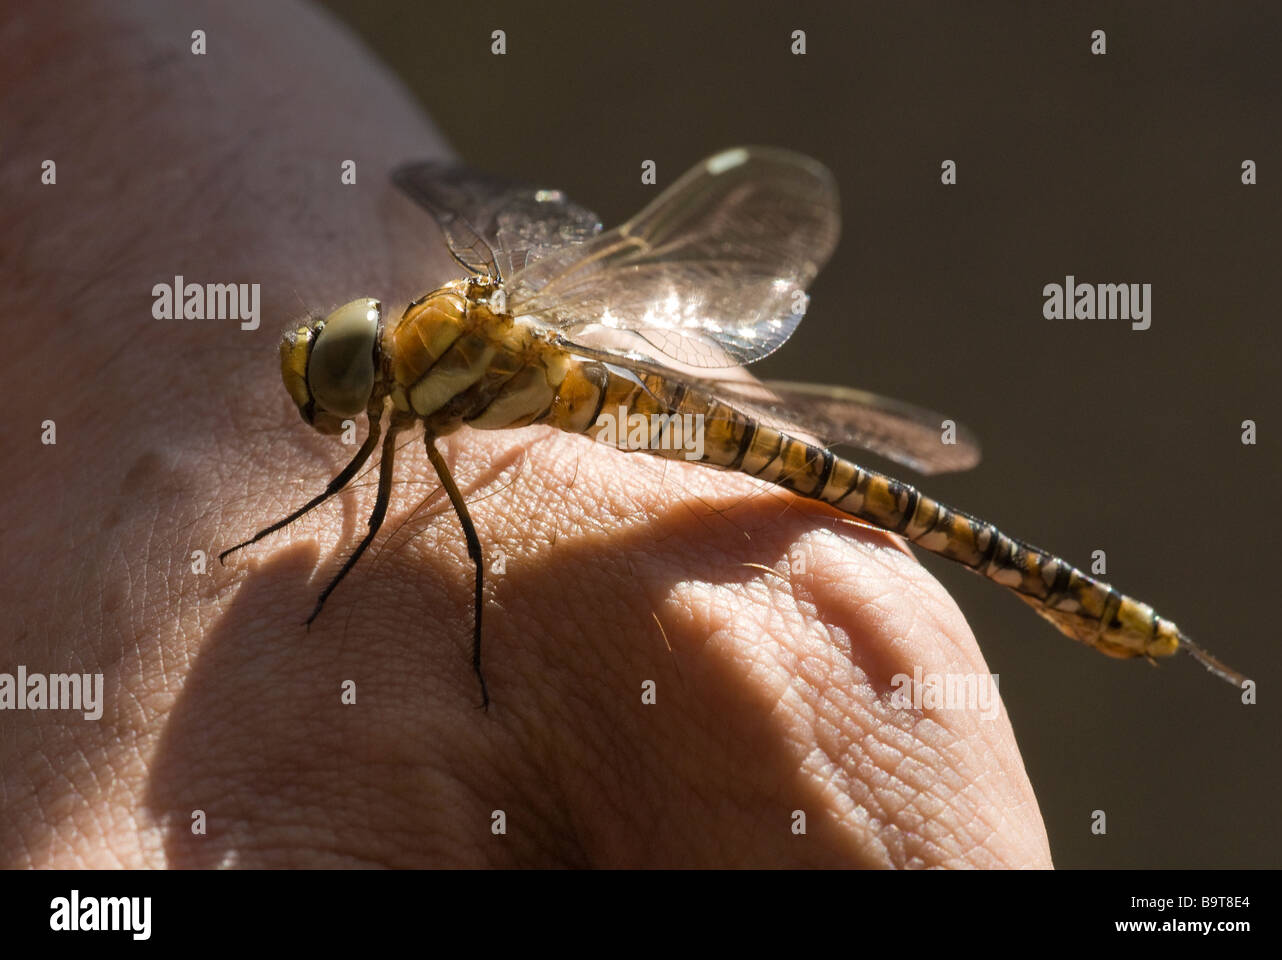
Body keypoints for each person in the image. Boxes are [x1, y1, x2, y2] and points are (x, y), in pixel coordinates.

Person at [0, 1, 1049, 868]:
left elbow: (402, 516)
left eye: (341, 363)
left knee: (838, 567)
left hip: (688, 413)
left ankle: (1045, 579)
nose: (345, 375)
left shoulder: (419, 379)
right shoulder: (424, 364)